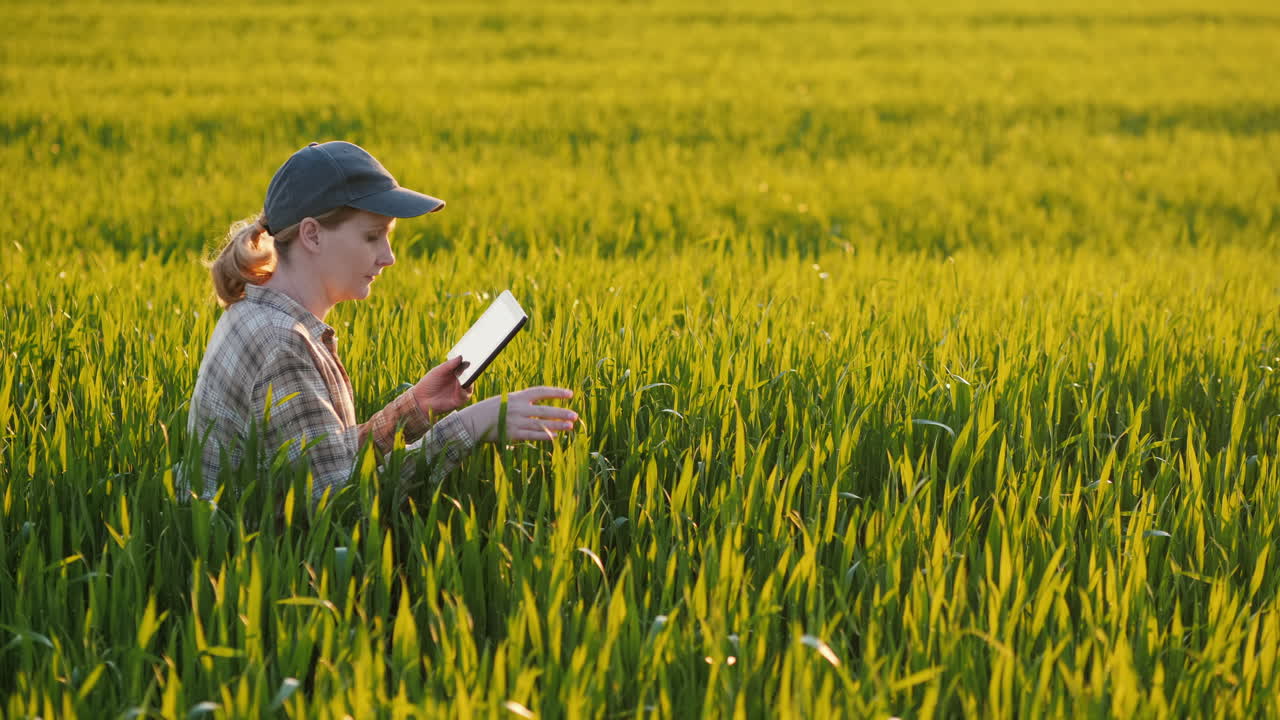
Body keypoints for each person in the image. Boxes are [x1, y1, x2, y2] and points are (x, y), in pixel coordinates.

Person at [185, 141, 577, 502]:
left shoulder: (264, 315)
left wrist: (416, 406)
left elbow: (323, 464)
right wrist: (471, 427)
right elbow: (338, 502)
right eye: (373, 237)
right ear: (312, 235)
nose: (388, 257)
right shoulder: (280, 342)